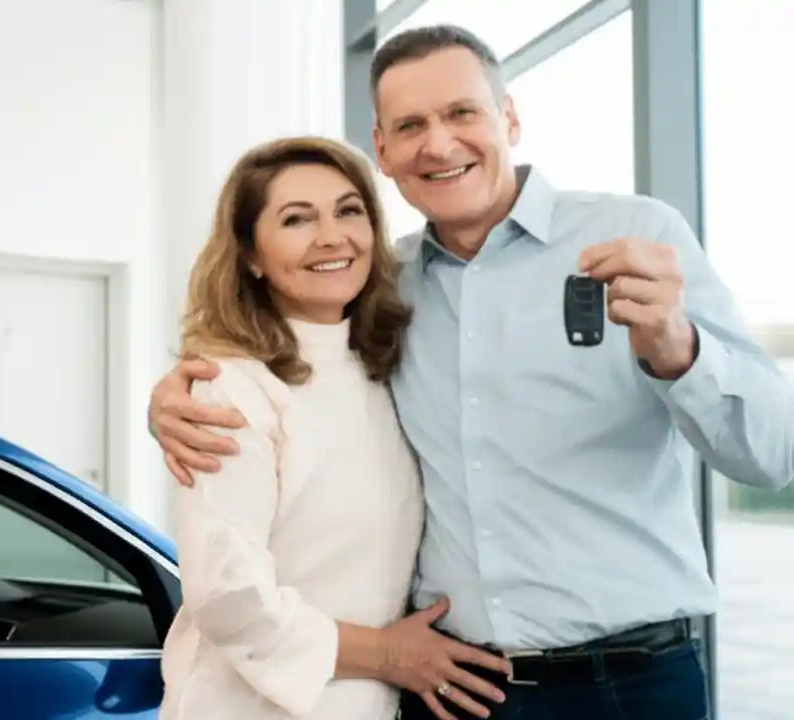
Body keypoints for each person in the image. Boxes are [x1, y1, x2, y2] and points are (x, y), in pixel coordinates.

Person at [148, 25, 794, 720]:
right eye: (411, 125)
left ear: (508, 118)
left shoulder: (638, 237)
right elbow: (291, 369)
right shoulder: (383, 288)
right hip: (452, 692)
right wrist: (171, 397)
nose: (439, 142)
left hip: (629, 685)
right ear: (384, 149)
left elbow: (771, 454)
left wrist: (680, 350)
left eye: (462, 113)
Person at [158, 135, 512, 720]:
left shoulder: (383, 368)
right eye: (297, 219)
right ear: (251, 255)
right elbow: (228, 596)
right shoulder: (230, 386)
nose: (331, 236)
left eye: (349, 211)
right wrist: (388, 655)